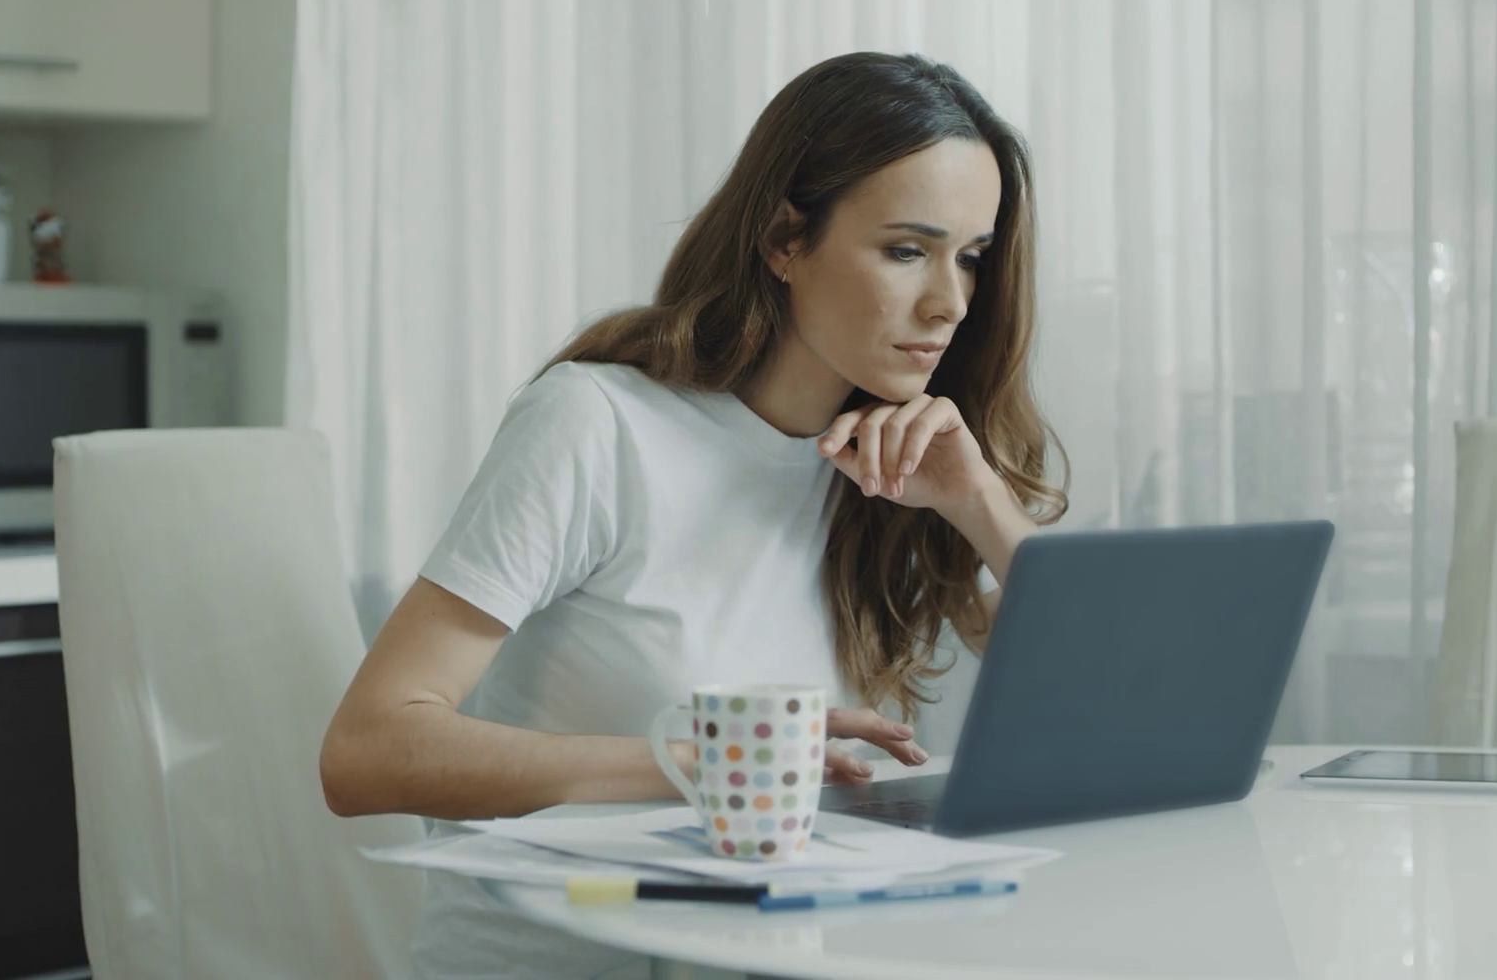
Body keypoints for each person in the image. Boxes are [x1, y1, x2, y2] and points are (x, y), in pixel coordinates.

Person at [319, 51, 1068, 979]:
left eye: (972, 258)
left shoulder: (892, 465)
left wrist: (981, 503)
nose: (949, 301)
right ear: (784, 240)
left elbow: (1109, 704)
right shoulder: (598, 425)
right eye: (906, 250)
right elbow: (368, 750)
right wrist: (711, 764)